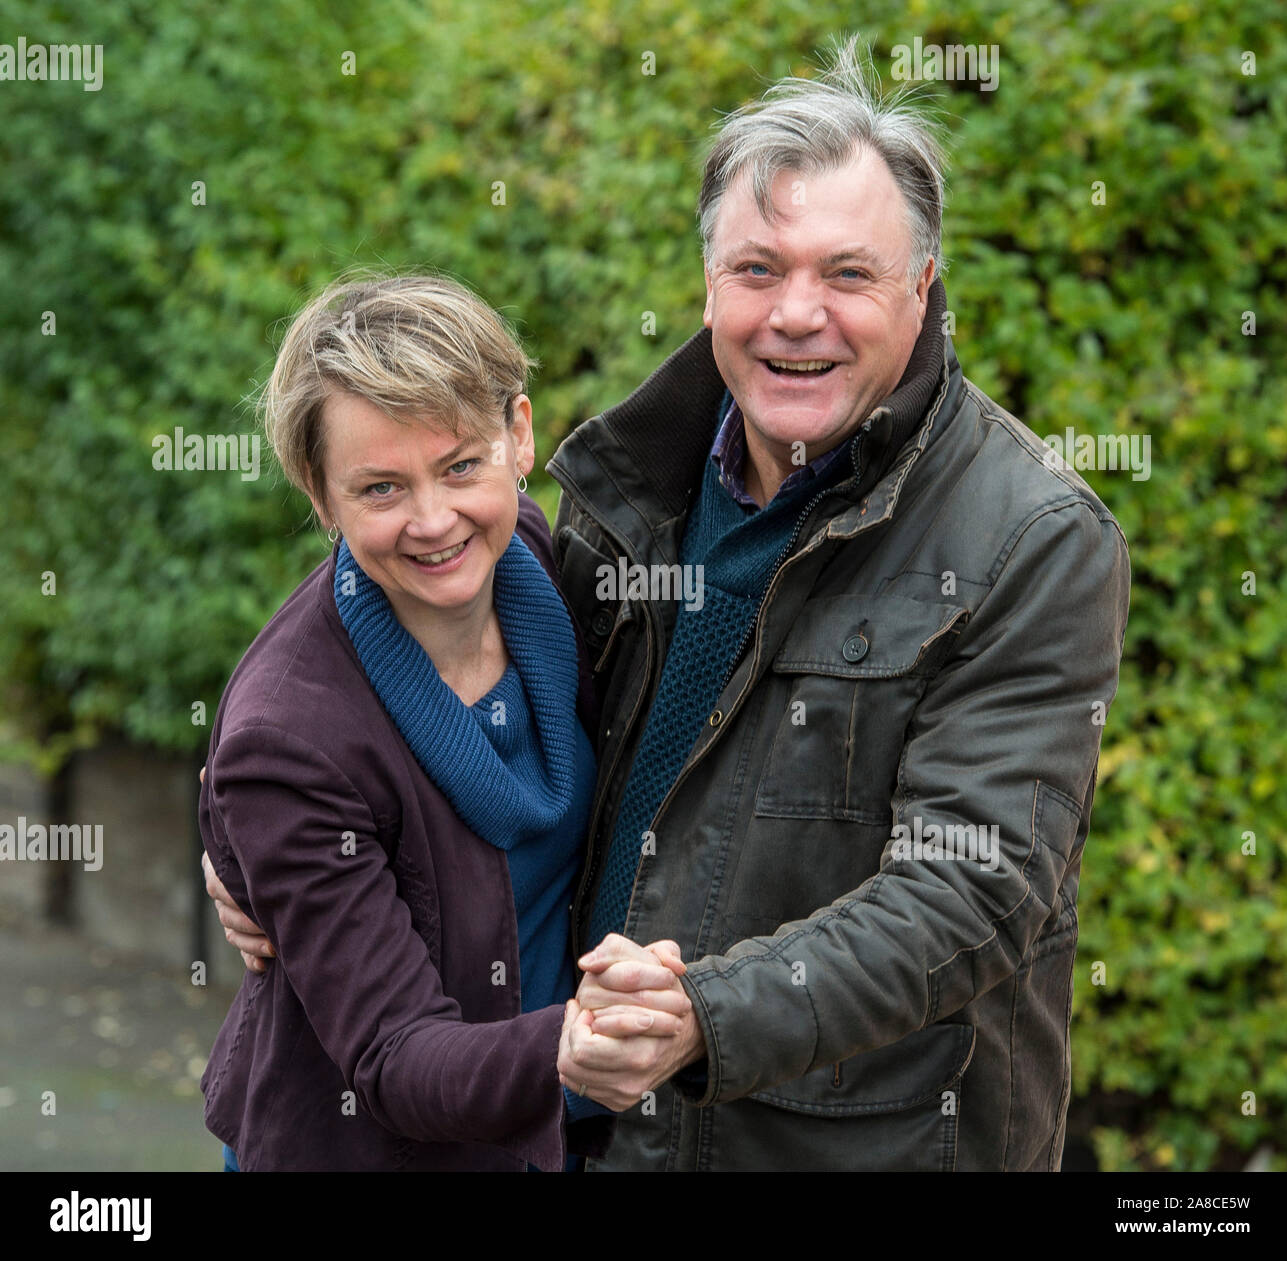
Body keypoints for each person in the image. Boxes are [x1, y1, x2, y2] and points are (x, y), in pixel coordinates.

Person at [210, 36, 1131, 1170]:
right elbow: (376, 604)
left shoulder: (1031, 539)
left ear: (922, 287)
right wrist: (252, 837)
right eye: (757, 269)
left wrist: (707, 1015)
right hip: (599, 1134)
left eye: (848, 273)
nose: (798, 313)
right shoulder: (624, 490)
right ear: (706, 285)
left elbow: (972, 889)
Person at [197, 273, 691, 1172]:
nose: (434, 521)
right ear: (320, 493)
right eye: (381, 488)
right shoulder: (289, 741)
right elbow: (393, 1056)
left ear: (520, 435)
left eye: (461, 465)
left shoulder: (536, 561)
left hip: (537, 1136)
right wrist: (573, 1043)